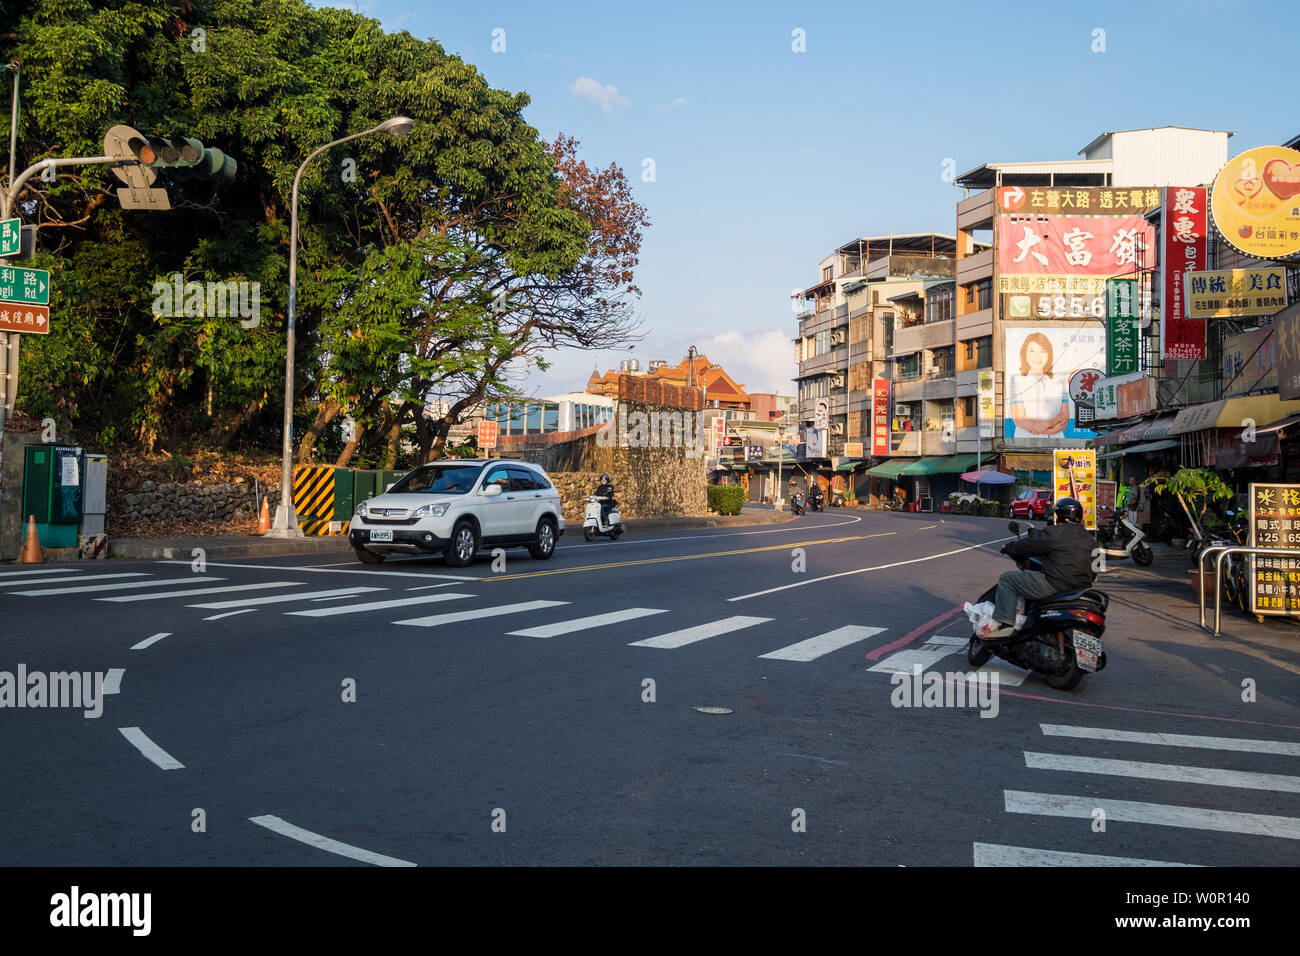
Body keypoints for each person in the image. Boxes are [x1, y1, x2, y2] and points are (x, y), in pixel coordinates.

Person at [982, 497, 1097, 640]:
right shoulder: (1091, 540)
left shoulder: (1056, 532)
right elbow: (1095, 571)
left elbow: (1029, 545)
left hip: (1055, 585)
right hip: (1081, 591)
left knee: (1008, 579)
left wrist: (1008, 548)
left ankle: (1006, 626)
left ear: (1059, 515)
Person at [1008, 333, 1070, 438]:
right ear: (1024, 354)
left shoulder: (1059, 380)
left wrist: (1046, 424)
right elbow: (1019, 419)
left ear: (1049, 354)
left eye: (1042, 351)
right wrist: (1051, 428)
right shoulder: (1017, 379)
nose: (1037, 356)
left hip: (1058, 440)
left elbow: (1065, 417)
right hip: (1025, 440)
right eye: (1032, 351)